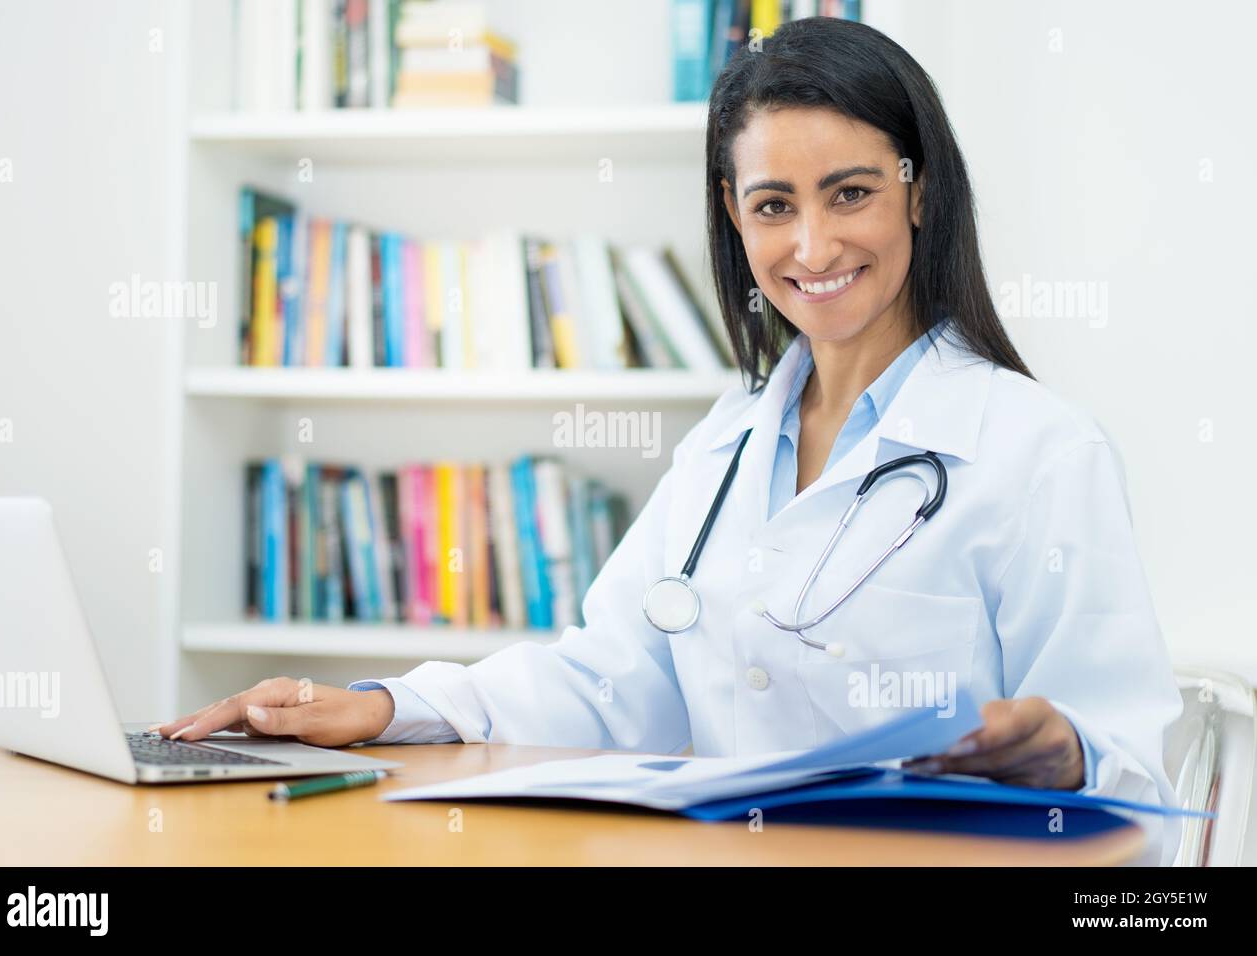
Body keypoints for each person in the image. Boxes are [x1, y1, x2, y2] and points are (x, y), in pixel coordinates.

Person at [157, 17, 1182, 864]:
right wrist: (387, 706)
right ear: (733, 215)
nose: (812, 245)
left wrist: (1066, 751)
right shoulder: (725, 446)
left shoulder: (1041, 452)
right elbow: (607, 679)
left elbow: (1130, 768)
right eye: (773, 205)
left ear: (918, 189)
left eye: (851, 192)